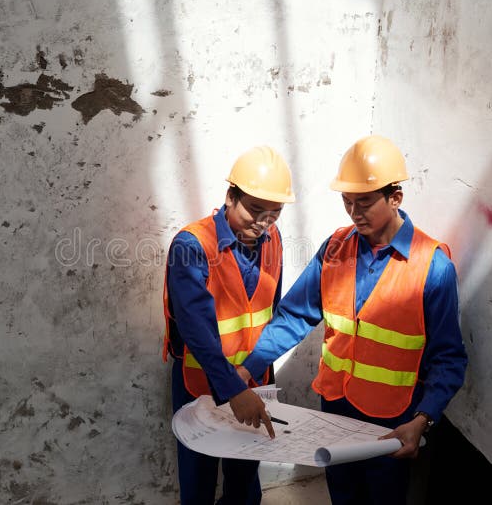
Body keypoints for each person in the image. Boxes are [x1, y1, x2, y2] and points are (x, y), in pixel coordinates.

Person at [238, 135, 468, 505]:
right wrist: (249, 369)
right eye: (347, 202)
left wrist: (422, 420)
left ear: (395, 198)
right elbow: (295, 315)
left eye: (364, 202)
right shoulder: (335, 248)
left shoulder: (432, 266)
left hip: (393, 419)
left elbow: (449, 358)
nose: (354, 212)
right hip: (336, 407)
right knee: (342, 496)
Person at [162, 146, 296, 505]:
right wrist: (233, 391)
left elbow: (272, 311)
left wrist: (253, 379)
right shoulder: (192, 246)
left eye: (275, 213)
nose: (263, 222)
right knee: (199, 480)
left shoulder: (274, 241)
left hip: (254, 382)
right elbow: (197, 332)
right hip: (200, 386)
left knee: (243, 480)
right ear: (230, 197)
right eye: (254, 209)